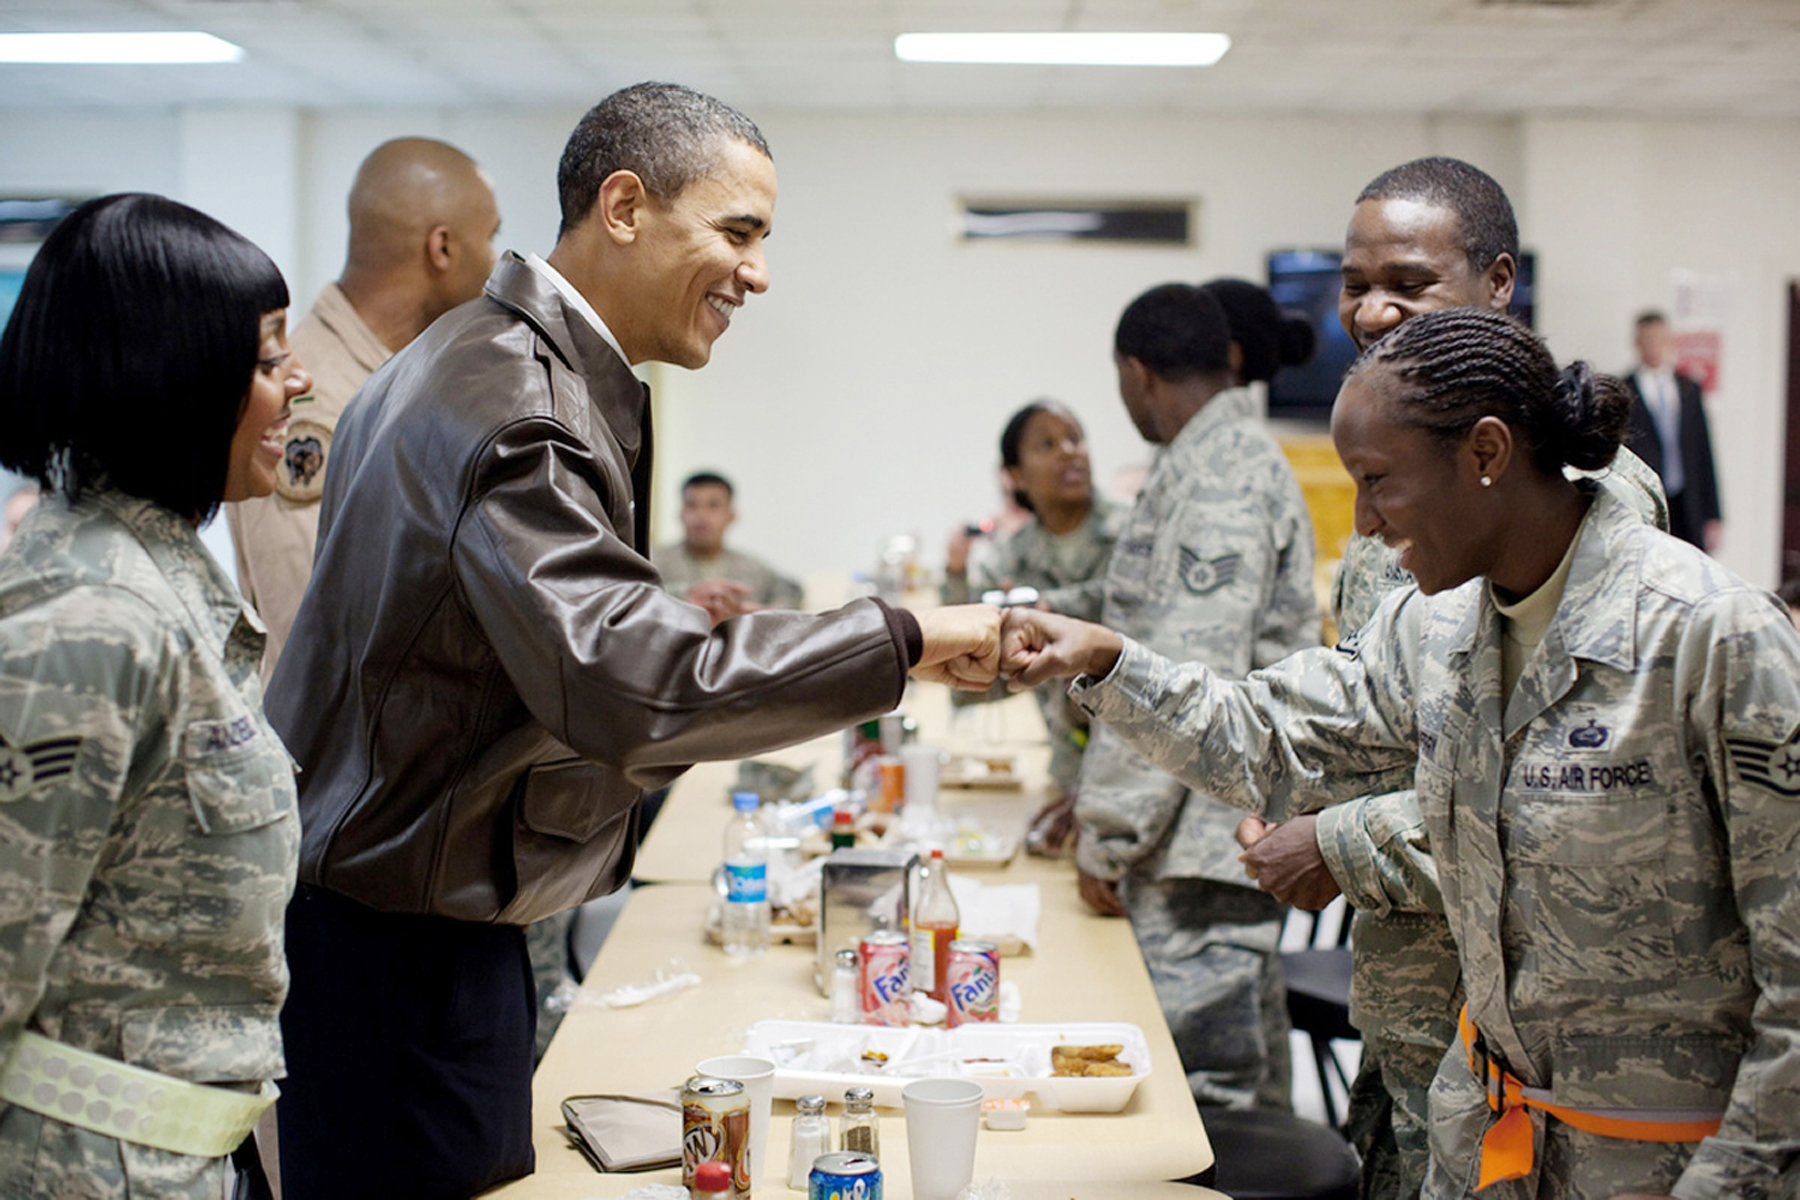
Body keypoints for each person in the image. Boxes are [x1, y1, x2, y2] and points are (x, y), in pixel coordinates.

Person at [264, 82, 1000, 1200]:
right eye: (738, 233)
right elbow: (635, 687)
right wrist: (905, 638)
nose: (758, 273)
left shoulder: (485, 356)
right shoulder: (519, 401)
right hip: (395, 948)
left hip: (397, 916)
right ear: (623, 206)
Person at [1004, 306, 1800, 1199]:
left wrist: (1735, 1183)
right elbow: (1265, 731)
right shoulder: (1440, 628)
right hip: (1488, 1158)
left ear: (1487, 454)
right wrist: (1104, 660)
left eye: (1380, 481)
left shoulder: (1708, 640)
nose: (1367, 522)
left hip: (1666, 1171)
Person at [1249, 155, 1670, 1200]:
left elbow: (1557, 799)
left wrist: (1340, 844)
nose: (1373, 309)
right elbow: (1396, 715)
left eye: (1410, 279)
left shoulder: (1579, 499)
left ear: (1496, 284)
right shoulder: (1398, 471)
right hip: (1404, 1006)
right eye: (1354, 283)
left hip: (1524, 1064)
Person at [0, 192, 311, 1198]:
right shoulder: (93, 613)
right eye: (268, 360)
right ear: (173, 378)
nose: (298, 383)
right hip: (82, 1166)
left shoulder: (162, 578)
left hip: (172, 1153)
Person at [1073, 282, 1319, 1110]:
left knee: (1200, 1105)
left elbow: (1183, 675)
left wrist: (1110, 835)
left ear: (1136, 373)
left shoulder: (1221, 477)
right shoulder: (1214, 460)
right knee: (1245, 1085)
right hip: (1212, 831)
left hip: (1202, 840)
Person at [223, 136, 500, 677]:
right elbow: (314, 634)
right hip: (336, 757)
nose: (495, 264)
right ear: (442, 248)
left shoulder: (404, 379)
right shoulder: (314, 399)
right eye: (490, 238)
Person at [941, 399, 1126, 853]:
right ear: (1015, 476)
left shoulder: (1135, 534)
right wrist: (957, 579)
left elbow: (1142, 616)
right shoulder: (1009, 559)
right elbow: (969, 686)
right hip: (1067, 777)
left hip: (1141, 773)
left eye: (1075, 439)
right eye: (1047, 444)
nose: (1070, 452)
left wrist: (1045, 611)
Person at [1625, 309, 1722, 552]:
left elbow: (1703, 450)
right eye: (1647, 339)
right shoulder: (1624, 390)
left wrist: (1713, 512)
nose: (1653, 346)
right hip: (1645, 501)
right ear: (1637, 343)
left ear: (1669, 341)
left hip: (1686, 501)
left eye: (1659, 339)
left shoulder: (1688, 388)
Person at [651, 470, 804, 623]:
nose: (701, 515)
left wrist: (761, 617)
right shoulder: (653, 563)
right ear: (681, 514)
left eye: (713, 505)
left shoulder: (753, 568)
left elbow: (792, 592)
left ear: (731, 515)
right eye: (692, 505)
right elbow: (640, 598)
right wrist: (683, 597)